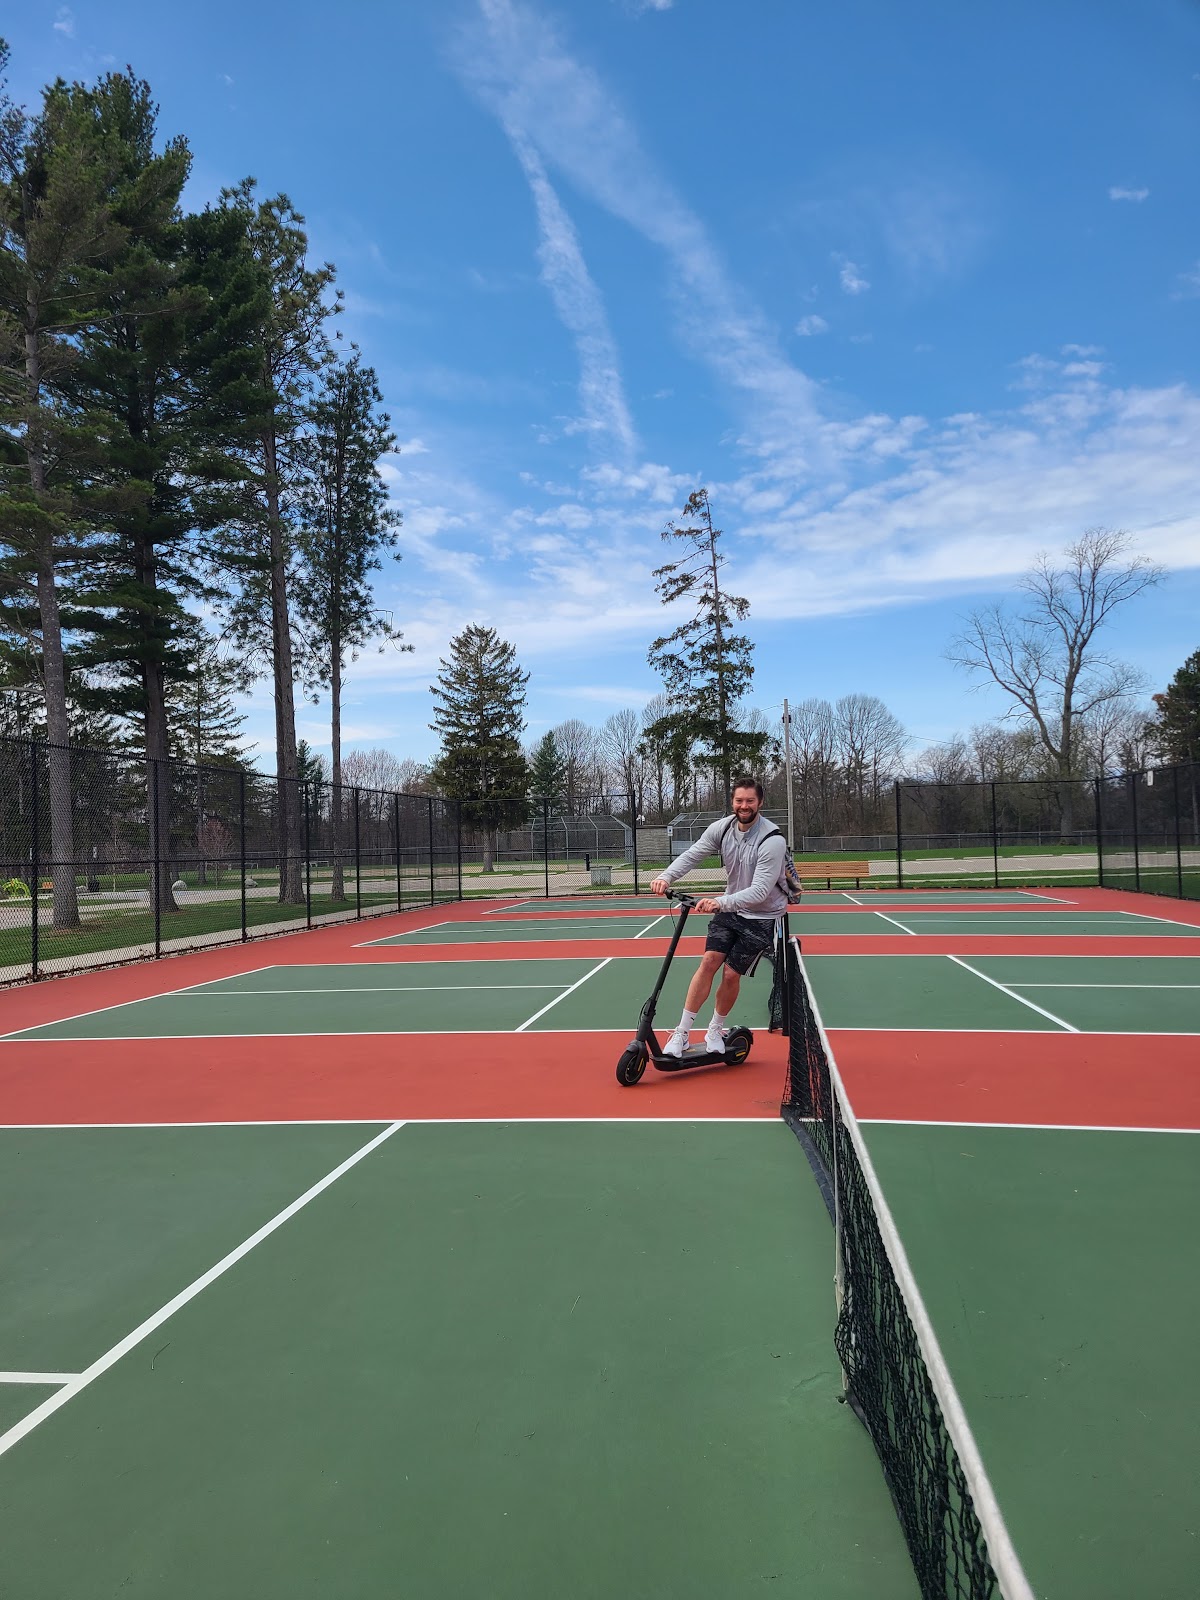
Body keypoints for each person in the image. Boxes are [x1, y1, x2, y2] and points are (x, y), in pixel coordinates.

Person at [649, 775, 787, 1056]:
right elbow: (693, 855)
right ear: (732, 801)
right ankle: (682, 1032)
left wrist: (719, 903)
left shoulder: (772, 839)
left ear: (760, 802)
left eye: (750, 800)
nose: (744, 805)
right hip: (729, 908)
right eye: (739, 800)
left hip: (761, 916)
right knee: (708, 961)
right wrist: (666, 876)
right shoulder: (721, 829)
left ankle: (715, 1028)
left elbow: (760, 891)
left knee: (730, 973)